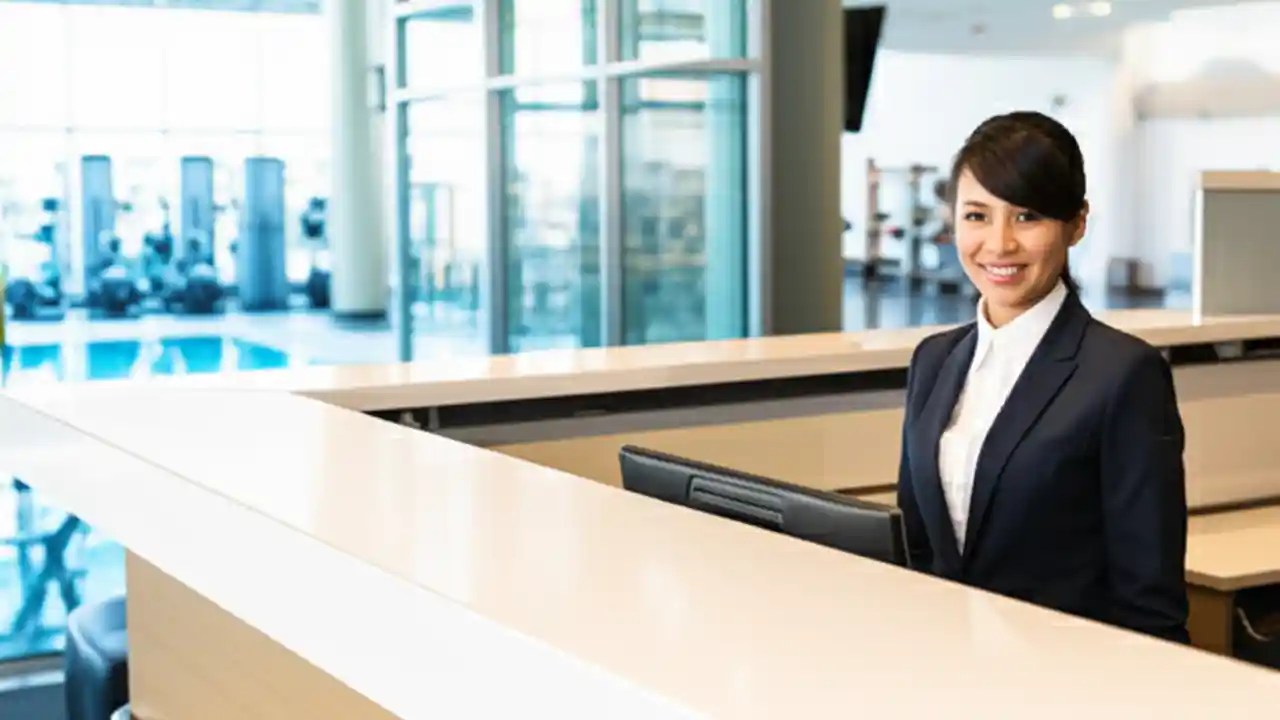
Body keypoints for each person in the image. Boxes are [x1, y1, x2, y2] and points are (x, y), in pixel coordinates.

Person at [896, 111, 1189, 644]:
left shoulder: (1123, 374)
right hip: (946, 671)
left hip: (1066, 680)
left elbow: (1150, 598)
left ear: (1076, 223)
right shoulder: (933, 361)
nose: (999, 244)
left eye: (1027, 216)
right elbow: (914, 547)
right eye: (977, 216)